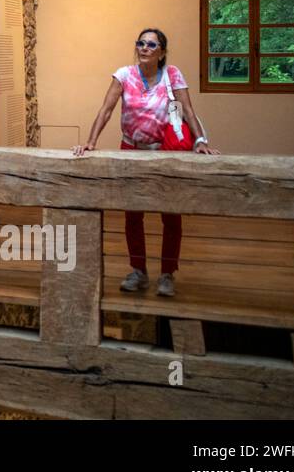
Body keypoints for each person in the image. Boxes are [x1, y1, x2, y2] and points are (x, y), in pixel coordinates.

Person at [71, 28, 218, 297]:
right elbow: (106, 109)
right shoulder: (124, 75)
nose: (145, 48)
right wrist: (91, 141)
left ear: (162, 52)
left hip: (163, 152)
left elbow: (187, 110)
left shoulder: (172, 75)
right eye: (141, 43)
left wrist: (200, 142)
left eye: (152, 44)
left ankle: (167, 274)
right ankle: (138, 271)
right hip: (131, 148)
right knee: (132, 214)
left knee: (171, 214)